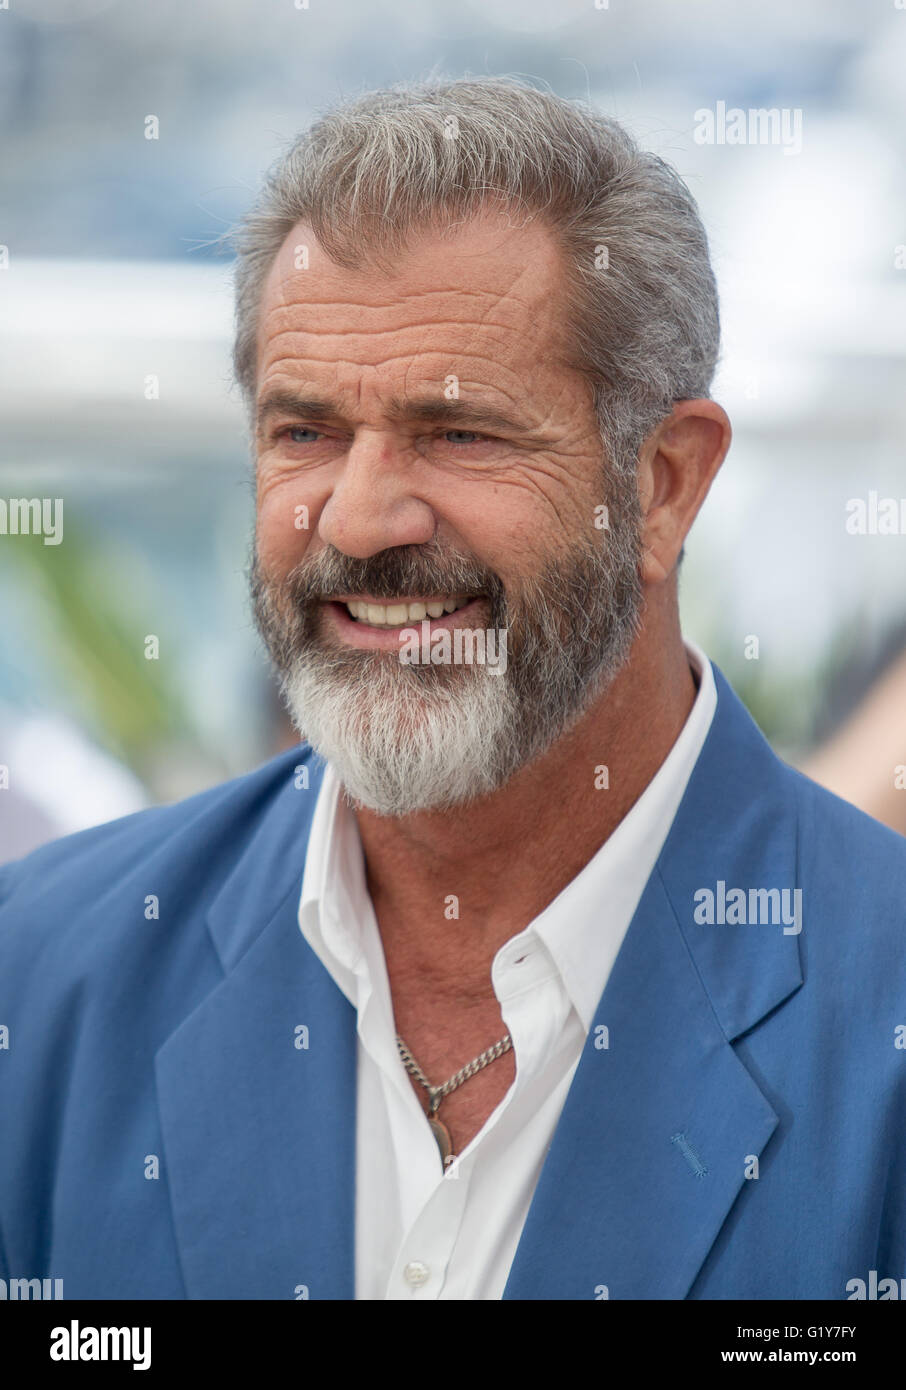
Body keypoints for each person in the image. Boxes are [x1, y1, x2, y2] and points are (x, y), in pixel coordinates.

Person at [1, 77, 904, 1302]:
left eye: (463, 433)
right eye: (304, 432)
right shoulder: (44, 978)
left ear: (666, 485)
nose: (362, 520)